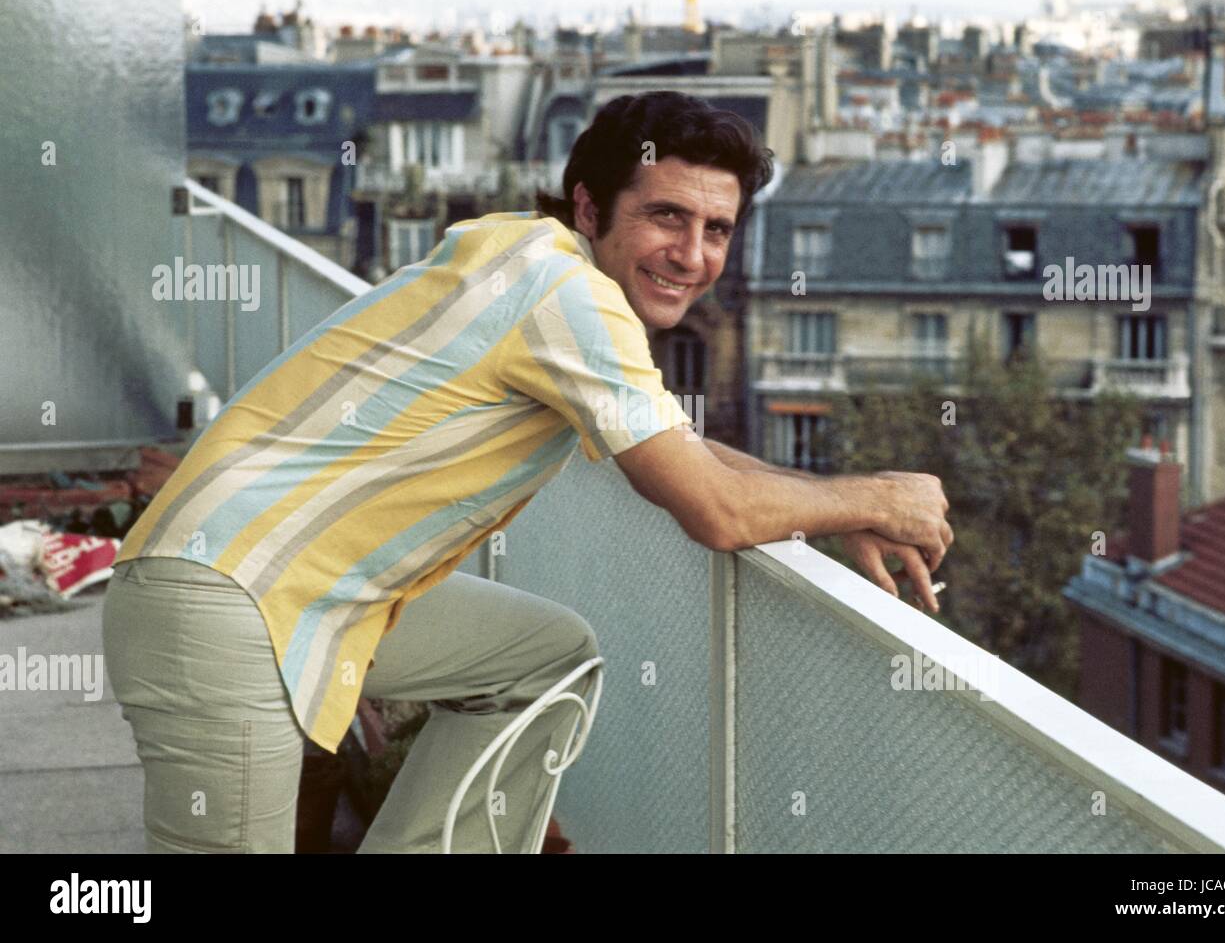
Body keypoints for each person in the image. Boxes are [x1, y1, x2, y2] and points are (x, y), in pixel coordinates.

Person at [102, 89, 953, 854]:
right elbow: (716, 510)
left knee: (545, 660)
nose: (693, 255)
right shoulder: (571, 299)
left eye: (717, 229)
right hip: (225, 598)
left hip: (295, 591)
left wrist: (833, 507)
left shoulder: (525, 252)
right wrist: (881, 495)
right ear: (589, 204)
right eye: (666, 217)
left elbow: (684, 450)